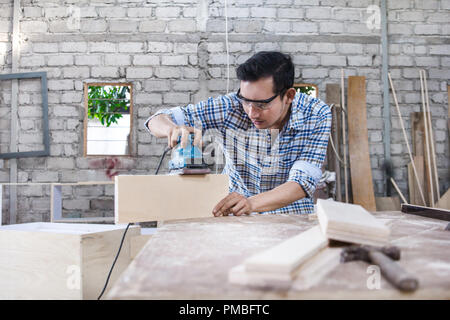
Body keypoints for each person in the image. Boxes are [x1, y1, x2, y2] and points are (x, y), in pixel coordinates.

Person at [145, 51, 331, 216]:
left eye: (261, 104)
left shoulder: (316, 114)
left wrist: (251, 203)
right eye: (245, 101)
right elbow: (156, 119)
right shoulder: (230, 107)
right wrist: (171, 128)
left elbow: (301, 183)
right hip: (237, 218)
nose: (251, 112)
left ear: (289, 96)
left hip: (291, 217)